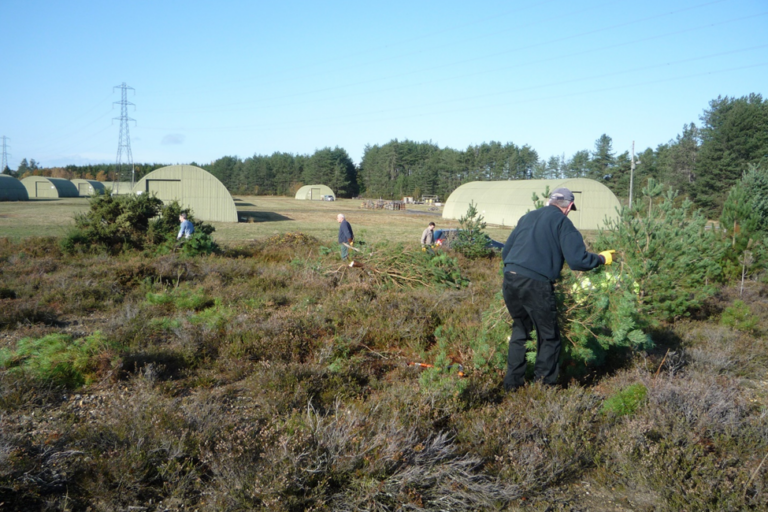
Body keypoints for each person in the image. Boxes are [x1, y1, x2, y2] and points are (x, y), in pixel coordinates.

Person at [500, 188, 615, 391]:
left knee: (520, 330)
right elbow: (578, 260)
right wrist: (601, 258)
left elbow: (506, 251)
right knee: (549, 337)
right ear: (569, 206)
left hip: (510, 278)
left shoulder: (527, 217)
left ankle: (511, 386)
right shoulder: (563, 222)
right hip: (535, 283)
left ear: (550, 201)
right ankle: (543, 389)